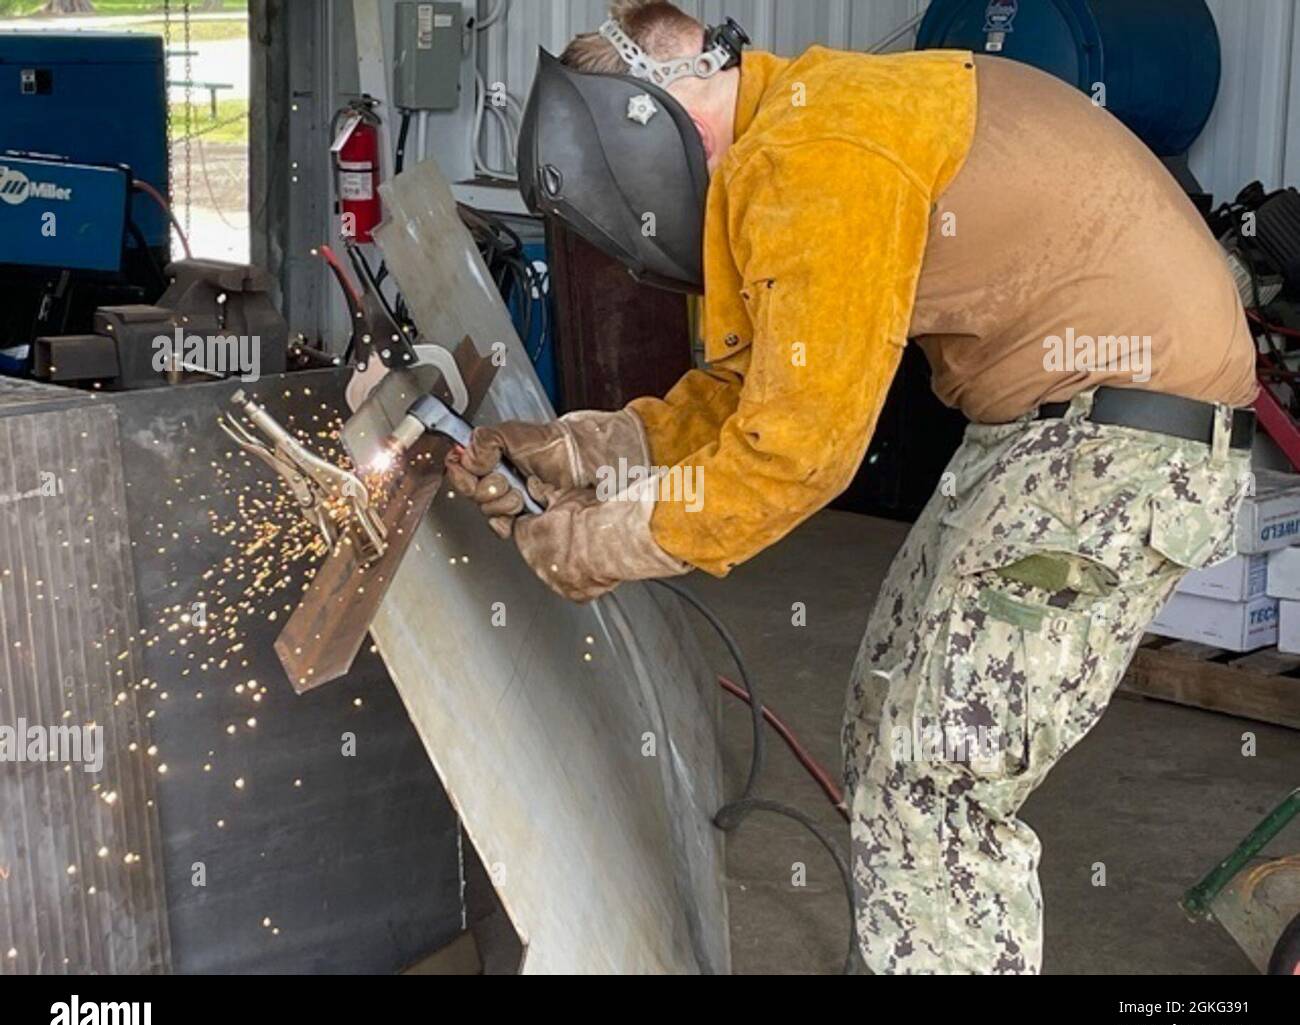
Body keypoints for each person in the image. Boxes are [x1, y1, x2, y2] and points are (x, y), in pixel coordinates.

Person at [444, 0, 1258, 974]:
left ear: (657, 117)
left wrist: (596, 545)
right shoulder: (790, 143)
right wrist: (580, 454)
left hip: (1118, 441)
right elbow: (749, 395)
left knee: (936, 778)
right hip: (1046, 432)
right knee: (888, 722)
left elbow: (798, 452)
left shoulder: (817, 146)